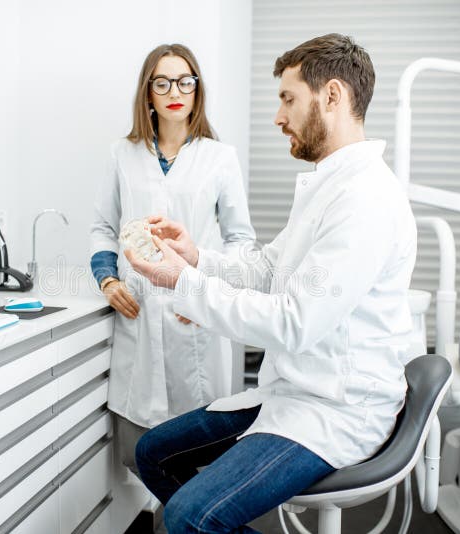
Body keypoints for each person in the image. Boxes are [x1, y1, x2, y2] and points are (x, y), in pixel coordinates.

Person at [126, 34, 417, 532]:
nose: (278, 117)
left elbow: (294, 323)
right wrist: (197, 259)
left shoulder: (365, 200)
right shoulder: (328, 186)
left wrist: (183, 285)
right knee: (151, 453)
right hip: (293, 393)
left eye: (288, 99)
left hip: (336, 410)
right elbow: (265, 270)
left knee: (188, 518)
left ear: (332, 96)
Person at [89, 43, 255, 476]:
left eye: (185, 81)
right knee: (135, 453)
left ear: (197, 90)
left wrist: (211, 295)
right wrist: (108, 280)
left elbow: (241, 241)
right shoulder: (121, 154)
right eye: (161, 82)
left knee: (198, 454)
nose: (174, 91)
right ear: (148, 93)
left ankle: (179, 521)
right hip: (138, 314)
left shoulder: (220, 158)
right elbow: (103, 228)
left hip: (195, 313)